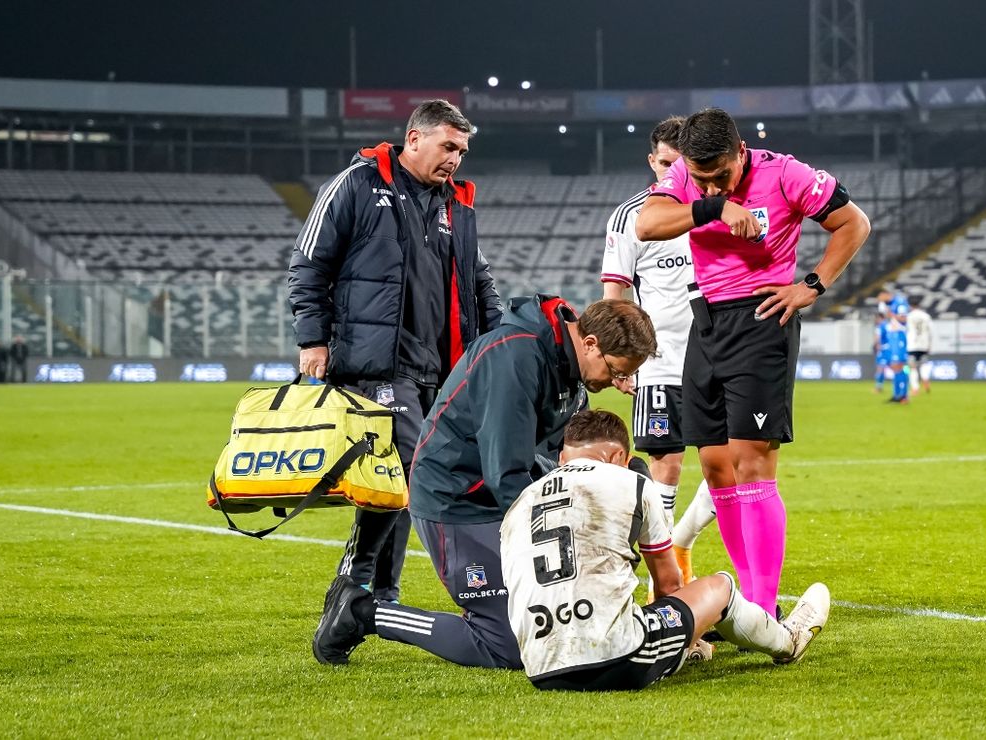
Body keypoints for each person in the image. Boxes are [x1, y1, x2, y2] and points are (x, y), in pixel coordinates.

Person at [312, 297, 658, 669]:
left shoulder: (568, 368)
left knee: (626, 477)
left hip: (500, 493)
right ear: (589, 344)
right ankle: (362, 611)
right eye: (617, 372)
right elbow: (505, 474)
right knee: (508, 645)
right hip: (458, 500)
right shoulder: (516, 357)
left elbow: (568, 460)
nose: (618, 384)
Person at [635, 107, 870, 616]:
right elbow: (648, 224)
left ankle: (762, 608)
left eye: (722, 174)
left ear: (741, 152)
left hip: (763, 319)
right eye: (703, 178)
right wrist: (711, 207)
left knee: (752, 462)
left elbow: (854, 223)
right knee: (716, 465)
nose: (713, 182)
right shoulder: (687, 179)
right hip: (708, 322)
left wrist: (811, 286)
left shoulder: (786, 173)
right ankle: (747, 601)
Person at [288, 100, 502, 608]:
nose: (456, 158)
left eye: (462, 150)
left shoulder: (457, 205)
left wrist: (495, 347)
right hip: (376, 364)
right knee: (411, 470)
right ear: (414, 139)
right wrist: (312, 340)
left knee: (395, 480)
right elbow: (308, 265)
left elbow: (480, 283)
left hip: (441, 367)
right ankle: (368, 583)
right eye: (448, 146)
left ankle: (367, 591)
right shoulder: (357, 184)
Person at [500, 409, 831, 691]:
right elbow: (670, 587)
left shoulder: (520, 501)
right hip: (615, 660)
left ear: (562, 458)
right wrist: (685, 630)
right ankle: (789, 641)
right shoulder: (631, 482)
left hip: (540, 666)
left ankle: (683, 648)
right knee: (721, 588)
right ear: (620, 457)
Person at [600, 116, 714, 583]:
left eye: (681, 164)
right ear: (652, 161)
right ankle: (664, 586)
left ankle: (682, 542)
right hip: (661, 360)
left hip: (718, 355)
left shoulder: (715, 206)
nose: (673, 175)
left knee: (734, 461)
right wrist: (618, 359)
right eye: (665, 164)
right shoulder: (632, 217)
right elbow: (615, 294)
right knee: (666, 464)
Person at [885, 299, 910, 404]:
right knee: (896, 369)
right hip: (895, 345)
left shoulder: (901, 307)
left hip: (900, 345)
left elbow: (903, 319)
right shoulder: (891, 320)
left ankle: (903, 395)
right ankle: (897, 395)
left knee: (901, 368)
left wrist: (896, 317)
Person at [905, 300, 933, 395]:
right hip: (924, 344)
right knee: (924, 365)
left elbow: (906, 330)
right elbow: (930, 331)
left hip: (912, 345)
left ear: (911, 306)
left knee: (912, 367)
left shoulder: (909, 316)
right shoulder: (926, 316)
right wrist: (929, 344)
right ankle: (925, 379)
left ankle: (915, 388)